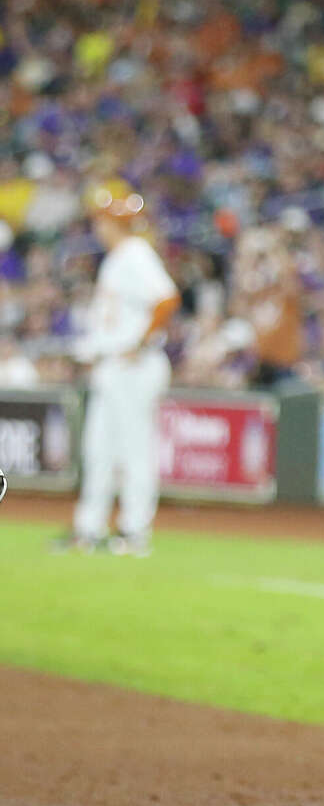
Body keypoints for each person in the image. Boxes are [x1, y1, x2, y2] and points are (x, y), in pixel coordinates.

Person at [57, 180, 178, 556]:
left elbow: (167, 299)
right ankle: (88, 529)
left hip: (134, 367)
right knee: (99, 450)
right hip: (112, 367)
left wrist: (138, 343)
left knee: (133, 450)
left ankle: (134, 531)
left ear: (114, 222)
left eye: (104, 218)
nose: (99, 225)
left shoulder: (135, 252)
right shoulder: (117, 258)